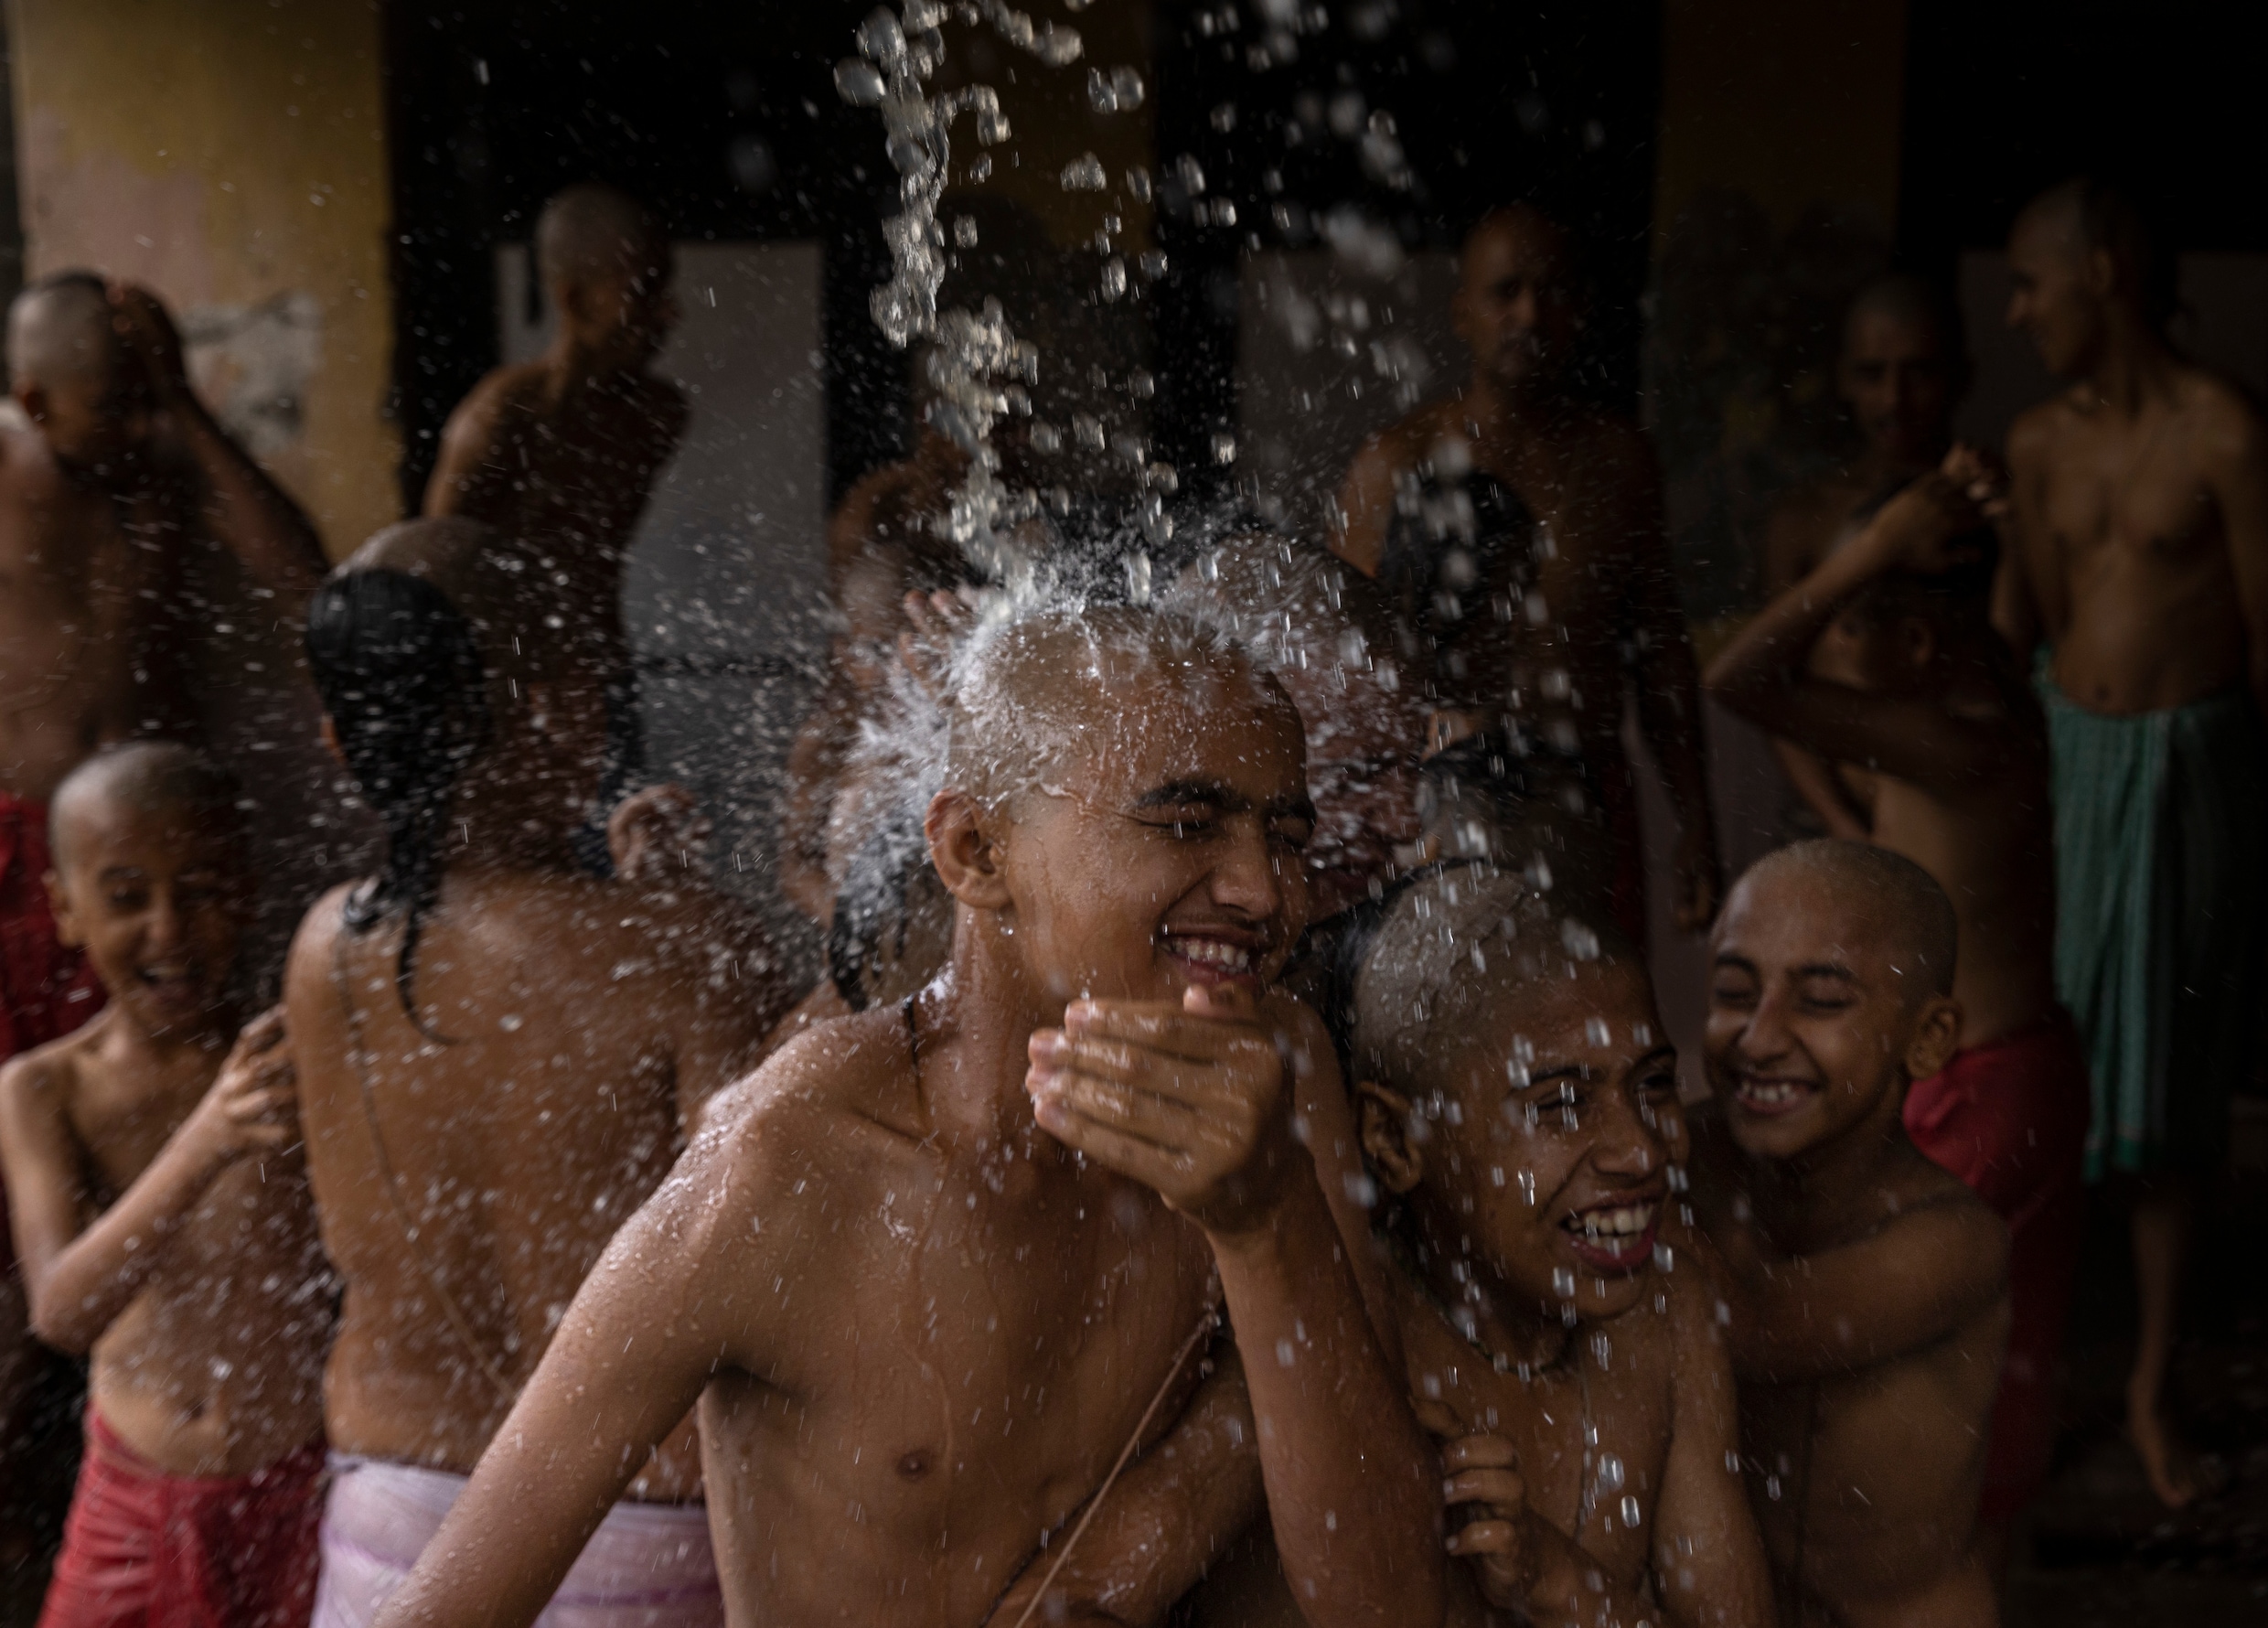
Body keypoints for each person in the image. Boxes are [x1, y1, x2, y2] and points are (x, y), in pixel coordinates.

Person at [358, 604, 1443, 1628]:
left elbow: (1389, 1606)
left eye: (1285, 835)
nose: (1262, 889)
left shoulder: (1278, 1068)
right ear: (973, 853)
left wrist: (1266, 1227)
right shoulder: (782, 1170)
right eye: (1186, 822)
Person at [281, 519, 794, 1625]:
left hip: (391, 1526)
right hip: (636, 1533)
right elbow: (775, 1253)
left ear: (341, 741)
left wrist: (645, 912)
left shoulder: (326, 948)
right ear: (561, 703)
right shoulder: (686, 949)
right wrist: (686, 927)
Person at [1706, 464, 2087, 1546]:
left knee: (1931, 1351)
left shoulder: (1958, 733)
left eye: (1853, 616)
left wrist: (1869, 550)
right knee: (1967, 1347)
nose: (1829, 636)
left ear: (1914, 646)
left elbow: (1738, 674)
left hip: (1989, 1082)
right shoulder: (1978, 695)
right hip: (2004, 1065)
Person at [1, 269, 327, 1526]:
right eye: (109, 407)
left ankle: (166, 1448)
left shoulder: (158, 464)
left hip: (149, 866)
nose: (132, 429)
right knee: (32, 1176)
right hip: (26, 858)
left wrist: (187, 416)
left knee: (195, 1136)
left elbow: (300, 573)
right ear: (34, 397)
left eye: (146, 400)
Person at [1994, 175, 2268, 1507]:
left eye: (2032, 283)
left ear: (2103, 267)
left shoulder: (2224, 432)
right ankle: (2030, 1389)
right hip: (2069, 765)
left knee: (2165, 1106)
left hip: (2188, 767)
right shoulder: (2036, 445)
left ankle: (2152, 1389)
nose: (2018, 309)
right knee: (2045, 1074)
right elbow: (2028, 631)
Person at [1337, 865, 1773, 1628]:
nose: (1640, 1149)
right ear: (1395, 1140)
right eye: (1562, 1103)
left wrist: (1559, 1582)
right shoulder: (1356, 1341)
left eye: (1654, 1084)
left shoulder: (1666, 1313)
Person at [0, 743, 329, 1628]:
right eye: (125, 897)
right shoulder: (45, 1089)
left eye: (202, 889)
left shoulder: (297, 1058)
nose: (169, 928)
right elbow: (63, 1310)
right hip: (131, 1503)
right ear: (65, 910)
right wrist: (203, 1143)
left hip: (304, 1494)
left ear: (250, 890)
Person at [1332, 203, 1720, 943]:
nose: (1530, 314)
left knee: (1595, 1022)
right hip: (1433, 802)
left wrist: (1696, 823)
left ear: (1583, 311)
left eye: (1555, 292)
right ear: (1462, 312)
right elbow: (1343, 667)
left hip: (1585, 792)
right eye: (1505, 291)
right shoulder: (1394, 462)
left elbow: (1663, 655)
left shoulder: (1618, 462)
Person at [1692, 841, 2008, 1626]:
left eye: (1822, 1001)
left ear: (1928, 1038)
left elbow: (1758, 1327)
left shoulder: (1951, 1240)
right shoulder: (1691, 1158)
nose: (1759, 1038)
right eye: (1736, 991)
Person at [423, 182, 687, 866]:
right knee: (519, 882)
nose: (668, 313)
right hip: (506, 705)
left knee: (621, 875)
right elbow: (427, 574)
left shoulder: (656, 415)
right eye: (645, 288)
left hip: (604, 688)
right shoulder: (498, 419)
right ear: (574, 300)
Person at [1760, 275, 1970, 841]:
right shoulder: (1806, 518)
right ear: (1843, 381)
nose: (1894, 400)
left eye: (1918, 372)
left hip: (1957, 816)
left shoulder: (1985, 516)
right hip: (1828, 819)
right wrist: (1843, 824)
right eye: (1872, 375)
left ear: (1958, 376)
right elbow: (1772, 685)